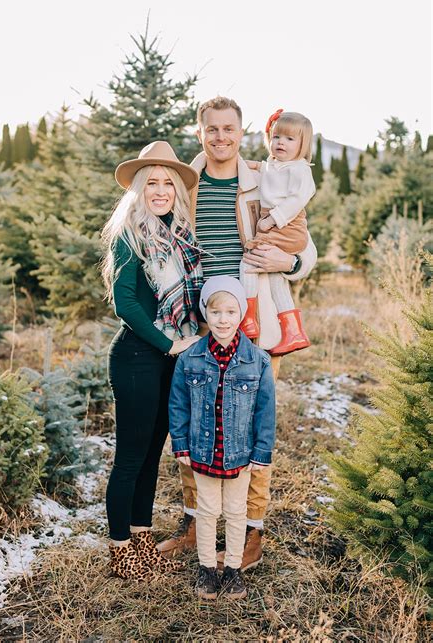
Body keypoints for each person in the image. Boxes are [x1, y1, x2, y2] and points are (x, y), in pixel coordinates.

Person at [157, 96, 317, 570]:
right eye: (213, 129)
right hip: (197, 322)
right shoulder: (185, 185)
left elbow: (306, 247)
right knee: (191, 422)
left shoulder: (264, 178)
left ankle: (250, 532)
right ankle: (194, 522)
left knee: (250, 425)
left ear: (242, 132)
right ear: (200, 130)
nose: (221, 137)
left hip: (254, 319)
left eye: (230, 129)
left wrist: (287, 262)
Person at [101, 140, 201, 580]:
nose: (160, 190)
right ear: (139, 189)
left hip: (168, 360)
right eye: (151, 182)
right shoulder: (130, 233)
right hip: (139, 359)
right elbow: (125, 303)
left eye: (168, 183)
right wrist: (169, 342)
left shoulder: (180, 237)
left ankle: (142, 539)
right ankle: (121, 551)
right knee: (129, 459)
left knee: (150, 457)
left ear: (177, 190)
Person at [169, 276, 276, 600]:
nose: (223, 319)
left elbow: (265, 412)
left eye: (231, 312)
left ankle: (231, 569)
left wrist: (261, 452)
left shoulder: (257, 361)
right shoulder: (190, 358)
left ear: (241, 314)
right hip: (203, 453)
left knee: (235, 512)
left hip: (240, 455)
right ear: (206, 314)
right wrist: (181, 444)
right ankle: (206, 569)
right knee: (206, 511)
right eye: (216, 313)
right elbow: (179, 404)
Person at [240, 108, 316, 355]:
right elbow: (265, 169)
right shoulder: (276, 165)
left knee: (250, 262)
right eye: (276, 137)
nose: (280, 143)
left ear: (303, 145)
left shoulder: (299, 169)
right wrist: (245, 164)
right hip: (277, 222)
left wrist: (272, 219)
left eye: (289, 139)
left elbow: (299, 198)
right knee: (274, 279)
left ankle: (248, 318)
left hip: (286, 224)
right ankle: (294, 332)